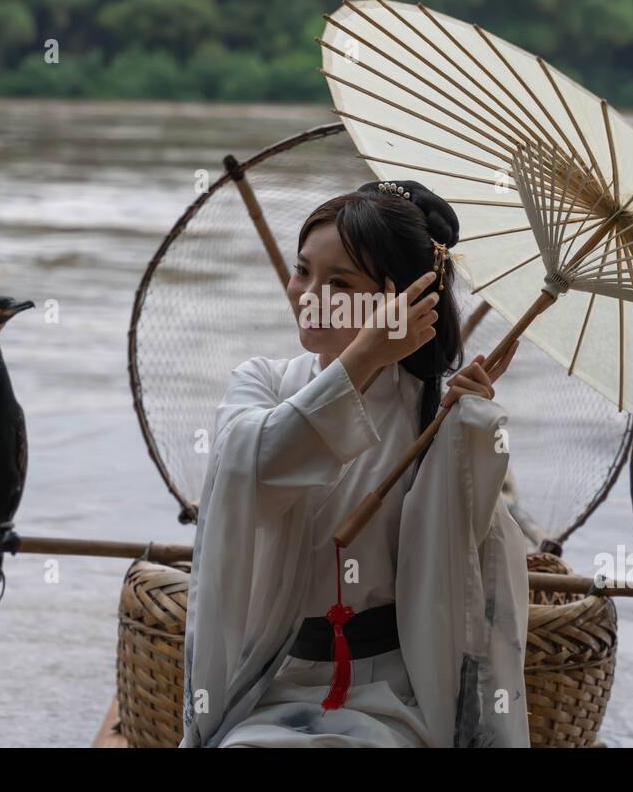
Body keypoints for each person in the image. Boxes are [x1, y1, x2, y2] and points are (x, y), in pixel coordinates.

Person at [180, 179, 530, 747]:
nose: (307, 293)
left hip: (393, 692)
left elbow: (463, 565)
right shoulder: (262, 383)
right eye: (302, 271)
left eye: (339, 282)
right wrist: (366, 354)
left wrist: (466, 428)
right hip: (267, 676)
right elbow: (252, 472)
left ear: (403, 299)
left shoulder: (434, 414)